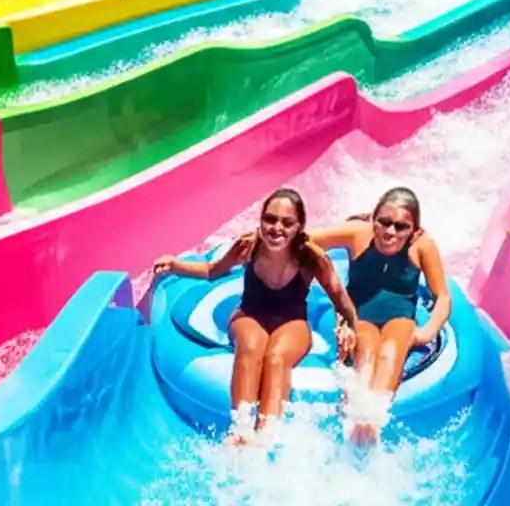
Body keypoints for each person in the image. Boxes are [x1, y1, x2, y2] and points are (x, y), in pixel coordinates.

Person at [153, 188, 360, 445]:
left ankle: (266, 435)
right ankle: (240, 431)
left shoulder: (311, 257)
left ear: (299, 226)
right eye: (270, 219)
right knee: (250, 347)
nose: (276, 228)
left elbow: (341, 300)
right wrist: (176, 266)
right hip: (250, 314)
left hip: (291, 321)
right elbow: (212, 271)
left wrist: (350, 332)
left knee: (276, 358)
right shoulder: (248, 246)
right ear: (261, 220)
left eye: (287, 222)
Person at [307, 187, 450, 447]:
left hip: (400, 317)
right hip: (361, 315)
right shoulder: (358, 235)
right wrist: (330, 284)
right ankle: (354, 426)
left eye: (401, 226)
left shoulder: (423, 246)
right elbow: (305, 241)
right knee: (366, 354)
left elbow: (443, 297)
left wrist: (428, 331)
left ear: (414, 230)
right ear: (373, 218)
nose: (390, 232)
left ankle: (372, 425)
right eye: (384, 222)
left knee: (391, 351)